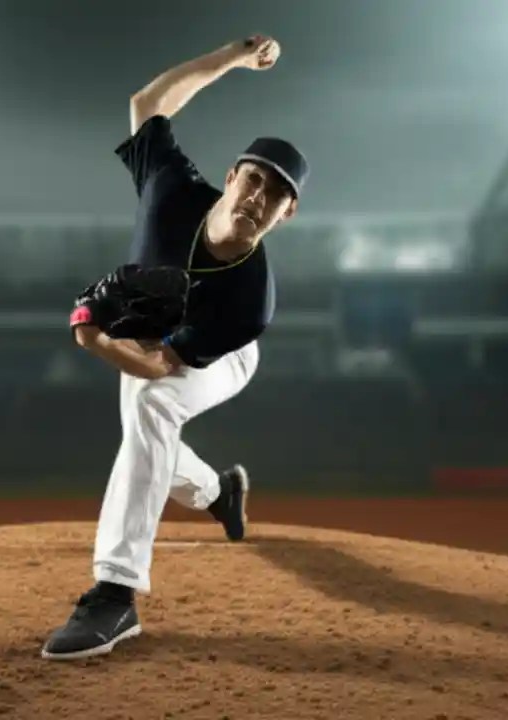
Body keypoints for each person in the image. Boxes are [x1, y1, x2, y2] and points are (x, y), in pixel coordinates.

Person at [42, 34, 310, 660]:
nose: (259, 196)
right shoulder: (170, 187)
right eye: (254, 178)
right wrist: (233, 57)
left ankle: (116, 592)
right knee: (148, 426)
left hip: (220, 356)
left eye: (277, 194)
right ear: (231, 177)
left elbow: (162, 365)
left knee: (152, 407)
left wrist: (93, 338)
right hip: (144, 338)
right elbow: (148, 101)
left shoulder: (251, 300)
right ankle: (219, 493)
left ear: (286, 216)